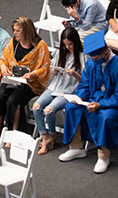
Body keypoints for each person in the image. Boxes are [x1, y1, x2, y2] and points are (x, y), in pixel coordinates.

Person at [58, 31, 118, 174]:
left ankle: (103, 156)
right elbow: (85, 84)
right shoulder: (92, 63)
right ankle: (76, 148)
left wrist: (100, 105)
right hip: (94, 98)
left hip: (116, 104)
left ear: (106, 53)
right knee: (71, 107)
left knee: (105, 116)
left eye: (96, 58)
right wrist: (79, 98)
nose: (93, 61)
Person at [0, 17, 50, 141]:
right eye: (14, 30)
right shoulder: (13, 42)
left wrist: (32, 74)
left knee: (13, 100)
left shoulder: (40, 45)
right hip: (13, 78)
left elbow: (44, 67)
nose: (15, 33)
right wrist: (2, 67)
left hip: (30, 82)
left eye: (18, 30)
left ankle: (15, 132)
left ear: (27, 31)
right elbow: (3, 58)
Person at [31, 26, 82, 154]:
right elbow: (54, 67)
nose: (67, 47)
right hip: (55, 86)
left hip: (69, 90)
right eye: (65, 44)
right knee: (36, 107)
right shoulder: (60, 52)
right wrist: (54, 71)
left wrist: (75, 74)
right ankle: (45, 136)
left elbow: (84, 81)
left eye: (70, 44)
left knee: (49, 110)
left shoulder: (82, 56)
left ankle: (52, 135)